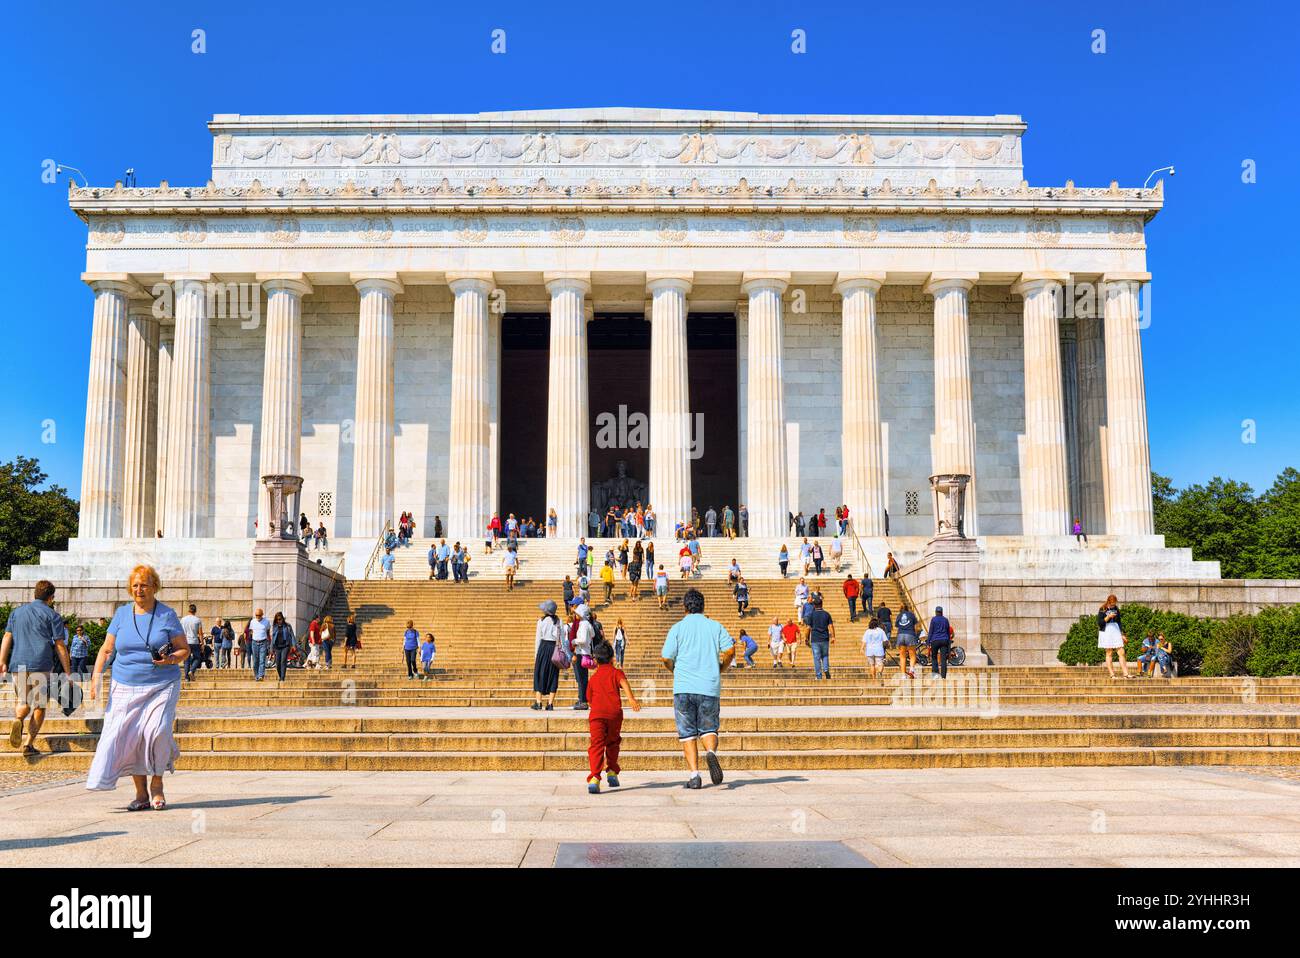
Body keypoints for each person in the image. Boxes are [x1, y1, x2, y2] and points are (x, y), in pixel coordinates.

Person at [85, 565, 187, 810]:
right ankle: (141, 793)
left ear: (155, 587)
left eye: (144, 585)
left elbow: (184, 649)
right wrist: (95, 677)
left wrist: (172, 659)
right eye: (135, 585)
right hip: (124, 683)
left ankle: (157, 783)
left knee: (158, 729)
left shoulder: (167, 615)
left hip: (161, 683)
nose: (139, 590)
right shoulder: (121, 614)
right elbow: (107, 649)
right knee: (128, 735)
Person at [661, 589, 735, 788]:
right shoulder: (715, 626)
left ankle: (694, 775)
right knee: (709, 727)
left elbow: (666, 657)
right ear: (703, 606)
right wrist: (722, 667)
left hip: (684, 686)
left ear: (685, 607)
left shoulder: (677, 628)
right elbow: (730, 650)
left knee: (687, 733)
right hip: (709, 686)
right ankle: (710, 753)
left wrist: (674, 670)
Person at [1, 580, 72, 755]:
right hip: (41, 663)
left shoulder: (16, 613)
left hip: (18, 663)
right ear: (51, 597)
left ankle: (18, 719)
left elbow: (7, 637)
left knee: (23, 701)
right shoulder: (52, 615)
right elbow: (60, 646)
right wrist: (68, 672)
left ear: (35, 594)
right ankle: (28, 744)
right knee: (39, 706)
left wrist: (2, 660)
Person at [585, 639, 641, 793]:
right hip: (614, 714)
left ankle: (595, 778)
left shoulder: (593, 679)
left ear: (595, 660)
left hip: (597, 716)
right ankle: (611, 771)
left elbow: (589, 700)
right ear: (612, 658)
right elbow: (623, 682)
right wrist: (631, 699)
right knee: (613, 742)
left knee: (596, 745)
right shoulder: (616, 672)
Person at [532, 600, 565, 711]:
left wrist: (536, 655)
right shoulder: (559, 621)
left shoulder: (541, 621)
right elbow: (562, 639)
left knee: (540, 674)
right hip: (554, 649)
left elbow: (538, 639)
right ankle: (550, 704)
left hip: (543, 647)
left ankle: (538, 702)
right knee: (553, 675)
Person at [1097, 594, 1131, 678]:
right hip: (1106, 631)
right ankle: (1112, 674)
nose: (1114, 605)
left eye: (1115, 603)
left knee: (1121, 651)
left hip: (1115, 630)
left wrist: (1122, 634)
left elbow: (1119, 622)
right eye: (1112, 603)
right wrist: (1108, 617)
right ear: (1109, 601)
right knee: (1109, 653)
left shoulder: (1116, 609)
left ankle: (1126, 673)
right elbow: (1100, 622)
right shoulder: (1102, 609)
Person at [805, 595, 836, 680]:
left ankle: (819, 676)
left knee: (816, 657)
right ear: (822, 604)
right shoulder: (827, 614)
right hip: (825, 638)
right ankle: (826, 669)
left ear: (814, 605)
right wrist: (833, 637)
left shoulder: (811, 615)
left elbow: (808, 628)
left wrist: (806, 638)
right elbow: (831, 626)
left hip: (815, 639)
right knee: (825, 655)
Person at [571, 608, 596, 710]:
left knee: (581, 679)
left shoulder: (584, 624)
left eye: (577, 613)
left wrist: (574, 641)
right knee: (583, 678)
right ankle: (584, 700)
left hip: (581, 653)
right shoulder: (586, 623)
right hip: (585, 653)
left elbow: (583, 639)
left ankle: (583, 701)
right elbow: (593, 634)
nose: (575, 615)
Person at [927, 606, 955, 679]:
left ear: (936, 612)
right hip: (944, 640)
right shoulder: (945, 620)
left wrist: (928, 642)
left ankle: (935, 674)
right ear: (942, 612)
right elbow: (948, 632)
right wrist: (949, 642)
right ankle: (943, 676)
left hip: (935, 640)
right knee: (943, 659)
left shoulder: (933, 619)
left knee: (934, 657)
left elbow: (931, 631)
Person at [895, 603, 919, 678]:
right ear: (907, 608)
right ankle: (911, 669)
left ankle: (903, 675)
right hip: (910, 634)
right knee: (912, 654)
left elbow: (896, 625)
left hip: (900, 635)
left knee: (902, 656)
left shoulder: (899, 615)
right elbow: (916, 625)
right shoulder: (911, 615)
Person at [861, 616, 888, 683]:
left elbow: (864, 641)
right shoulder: (881, 631)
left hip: (869, 650)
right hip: (879, 650)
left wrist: (861, 648)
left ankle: (874, 679)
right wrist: (886, 646)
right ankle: (879, 672)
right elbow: (885, 640)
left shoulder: (867, 631)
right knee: (880, 664)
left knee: (872, 665)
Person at [180, 603, 203, 682]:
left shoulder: (183, 619)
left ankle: (186, 678)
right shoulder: (197, 620)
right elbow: (200, 633)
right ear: (195, 611)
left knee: (186, 659)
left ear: (188, 610)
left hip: (185, 641)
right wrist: (202, 643)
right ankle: (192, 670)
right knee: (197, 658)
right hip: (194, 641)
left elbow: (180, 631)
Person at [249, 607, 271, 681]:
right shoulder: (252, 621)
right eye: (256, 615)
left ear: (262, 615)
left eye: (259, 615)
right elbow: (251, 631)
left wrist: (269, 642)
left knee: (262, 660)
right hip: (254, 642)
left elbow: (268, 632)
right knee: (255, 661)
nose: (258, 617)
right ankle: (256, 675)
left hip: (263, 642)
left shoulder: (266, 622)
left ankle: (261, 675)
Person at [271, 612, 295, 681]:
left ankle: (282, 678)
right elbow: (273, 638)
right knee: (277, 664)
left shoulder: (287, 626)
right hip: (277, 647)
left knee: (283, 661)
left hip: (285, 646)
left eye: (280, 619)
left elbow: (292, 636)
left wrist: (294, 645)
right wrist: (271, 648)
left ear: (283, 619)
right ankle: (280, 675)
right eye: (277, 620)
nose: (279, 621)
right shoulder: (275, 627)